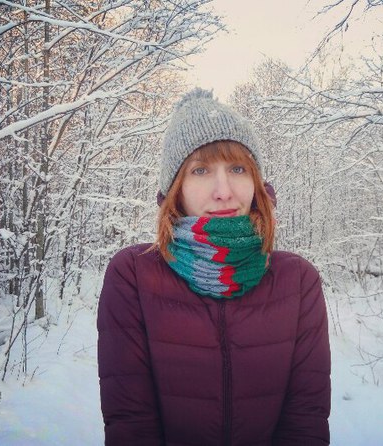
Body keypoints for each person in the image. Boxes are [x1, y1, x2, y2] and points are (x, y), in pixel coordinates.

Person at [97, 88, 331, 445]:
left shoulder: (297, 280)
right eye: (201, 170)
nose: (223, 191)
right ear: (175, 188)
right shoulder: (134, 275)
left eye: (237, 168)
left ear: (256, 182)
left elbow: (305, 420)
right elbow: (131, 423)